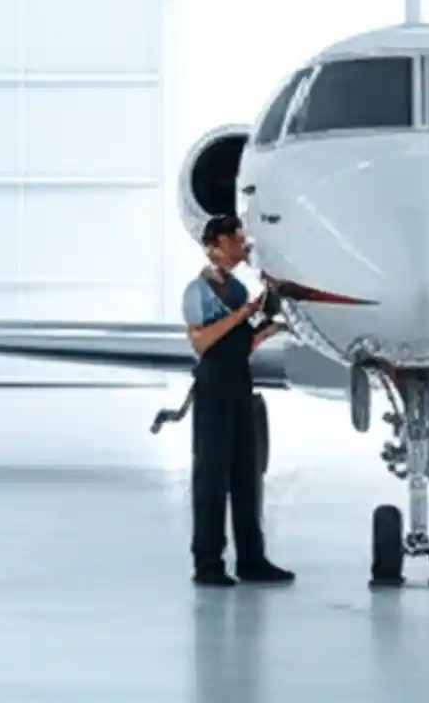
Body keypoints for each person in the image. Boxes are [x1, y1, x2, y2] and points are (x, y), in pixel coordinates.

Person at [182, 214, 293, 587]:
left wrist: (267, 327)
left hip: (239, 384)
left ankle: (251, 559)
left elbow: (241, 345)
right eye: (237, 239)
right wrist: (244, 315)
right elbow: (200, 342)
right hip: (213, 387)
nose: (243, 245)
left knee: (247, 475)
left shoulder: (236, 288)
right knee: (211, 477)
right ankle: (208, 562)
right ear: (216, 244)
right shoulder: (198, 291)